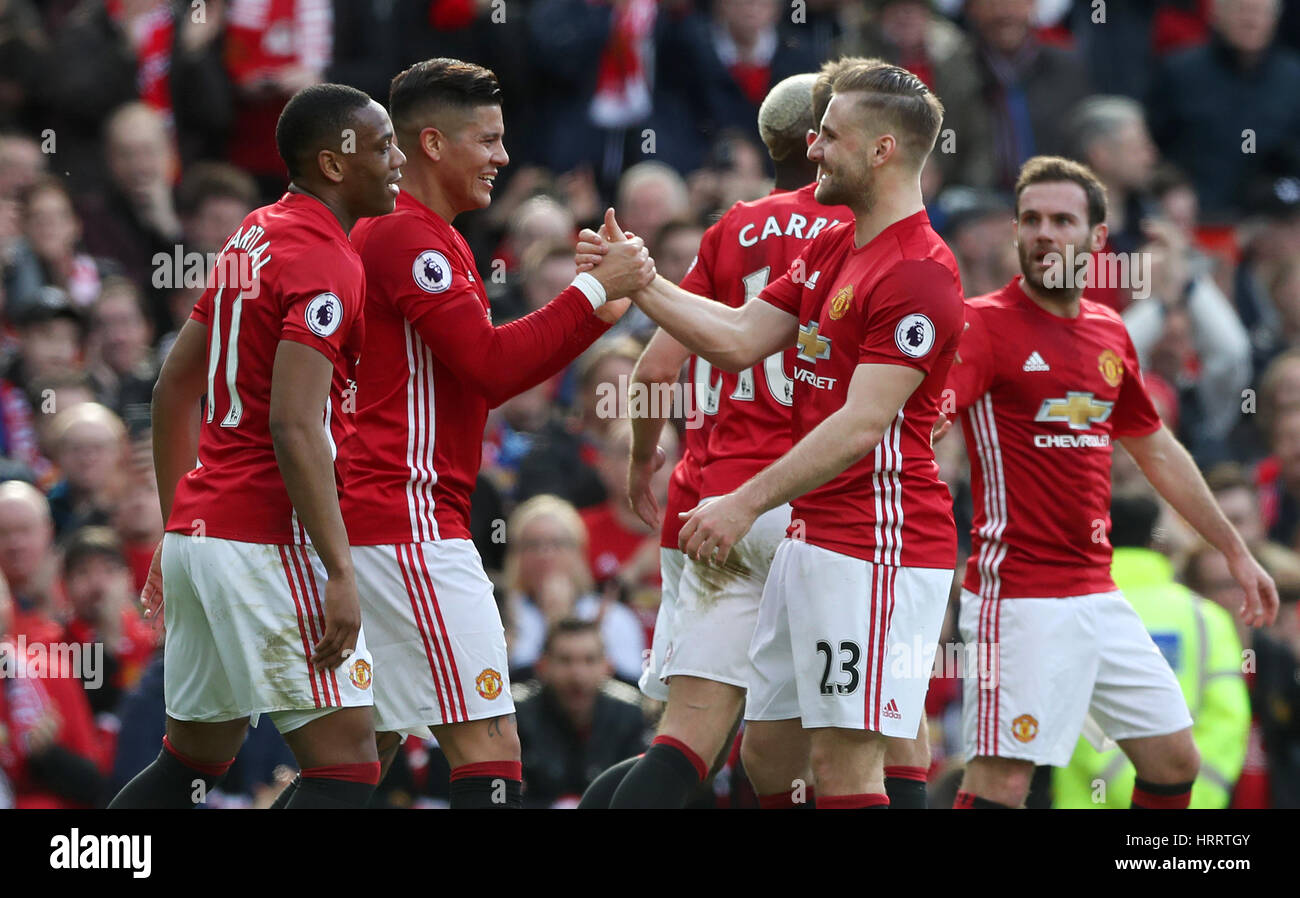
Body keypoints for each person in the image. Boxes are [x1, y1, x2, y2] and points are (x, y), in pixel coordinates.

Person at [582, 60, 963, 808]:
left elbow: (859, 426)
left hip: (874, 543)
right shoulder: (834, 246)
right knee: (768, 761)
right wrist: (644, 282)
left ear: (882, 151)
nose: (810, 149)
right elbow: (736, 338)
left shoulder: (921, 272)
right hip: (806, 540)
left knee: (850, 771)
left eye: (829, 137)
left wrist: (742, 502)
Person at [290, 58, 650, 812]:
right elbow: (489, 368)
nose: (503, 156)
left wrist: (595, 313)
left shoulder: (423, 238)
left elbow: (487, 373)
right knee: (489, 745)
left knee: (359, 760)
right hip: (410, 523)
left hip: (387, 523)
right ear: (430, 144)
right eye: (486, 139)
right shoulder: (405, 240)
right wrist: (590, 289)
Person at [944, 155, 1277, 810]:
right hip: (1019, 598)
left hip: (1098, 592)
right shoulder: (982, 324)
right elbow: (925, 422)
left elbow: (1156, 449)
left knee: (1174, 760)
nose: (1044, 233)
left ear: (1097, 239)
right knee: (1003, 780)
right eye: (1030, 220)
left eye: (1062, 220)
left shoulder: (1107, 330)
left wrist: (1234, 550)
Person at [118, 83, 405, 809]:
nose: (398, 159)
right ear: (333, 164)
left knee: (192, 763)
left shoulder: (255, 233)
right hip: (266, 541)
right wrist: (340, 570)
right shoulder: (326, 263)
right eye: (382, 145)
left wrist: (181, 522)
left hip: (207, 535)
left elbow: (172, 391)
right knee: (347, 768)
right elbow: (293, 423)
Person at [1054, 493, 1250, 809]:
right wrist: (1185, 797)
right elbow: (1229, 717)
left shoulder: (1068, 615)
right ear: (1156, 543)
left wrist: (1130, 785)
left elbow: (1075, 718)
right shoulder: (1206, 617)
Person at [514, 618, 649, 808]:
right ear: (542, 667)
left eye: (589, 660)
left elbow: (640, 795)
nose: (577, 674)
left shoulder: (629, 714)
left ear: (608, 667)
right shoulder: (516, 717)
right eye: (565, 660)